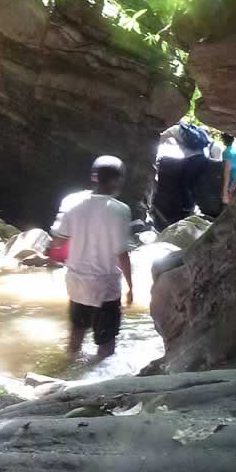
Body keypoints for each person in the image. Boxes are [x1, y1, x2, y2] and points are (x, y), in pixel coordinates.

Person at [51, 154, 134, 360]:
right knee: (106, 344)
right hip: (105, 286)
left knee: (76, 333)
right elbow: (122, 253)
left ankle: (67, 367)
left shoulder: (72, 204)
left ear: (94, 177)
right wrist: (131, 286)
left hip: (77, 282)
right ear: (118, 180)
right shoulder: (120, 210)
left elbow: (58, 242)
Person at [221, 135, 236, 206]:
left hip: (233, 180)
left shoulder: (226, 152)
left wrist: (225, 191)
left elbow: (227, 170)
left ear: (224, 140)